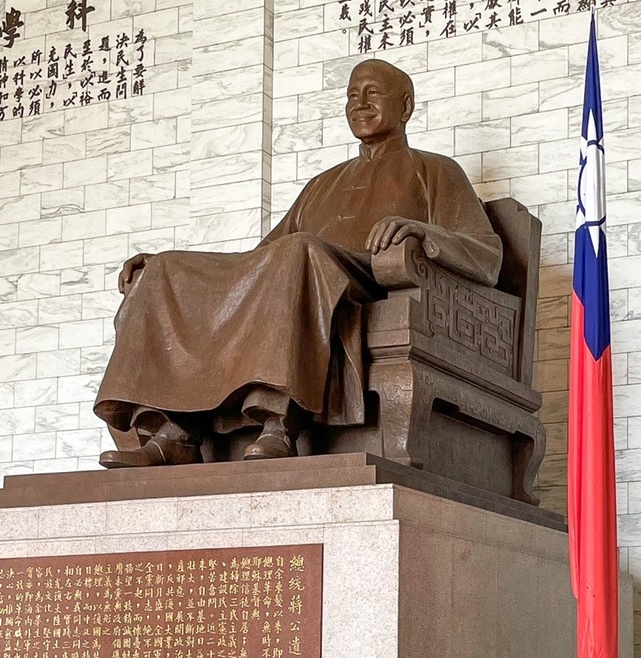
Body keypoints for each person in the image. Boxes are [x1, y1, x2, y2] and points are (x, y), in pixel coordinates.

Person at [95, 59, 503, 467]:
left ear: (406, 106)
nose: (359, 103)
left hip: (369, 280)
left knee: (298, 250)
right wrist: (179, 271)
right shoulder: (321, 185)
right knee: (167, 268)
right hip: (306, 270)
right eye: (352, 95)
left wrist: (422, 232)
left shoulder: (435, 171)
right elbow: (258, 262)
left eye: (372, 93)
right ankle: (175, 432)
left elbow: (488, 255)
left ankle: (280, 423)